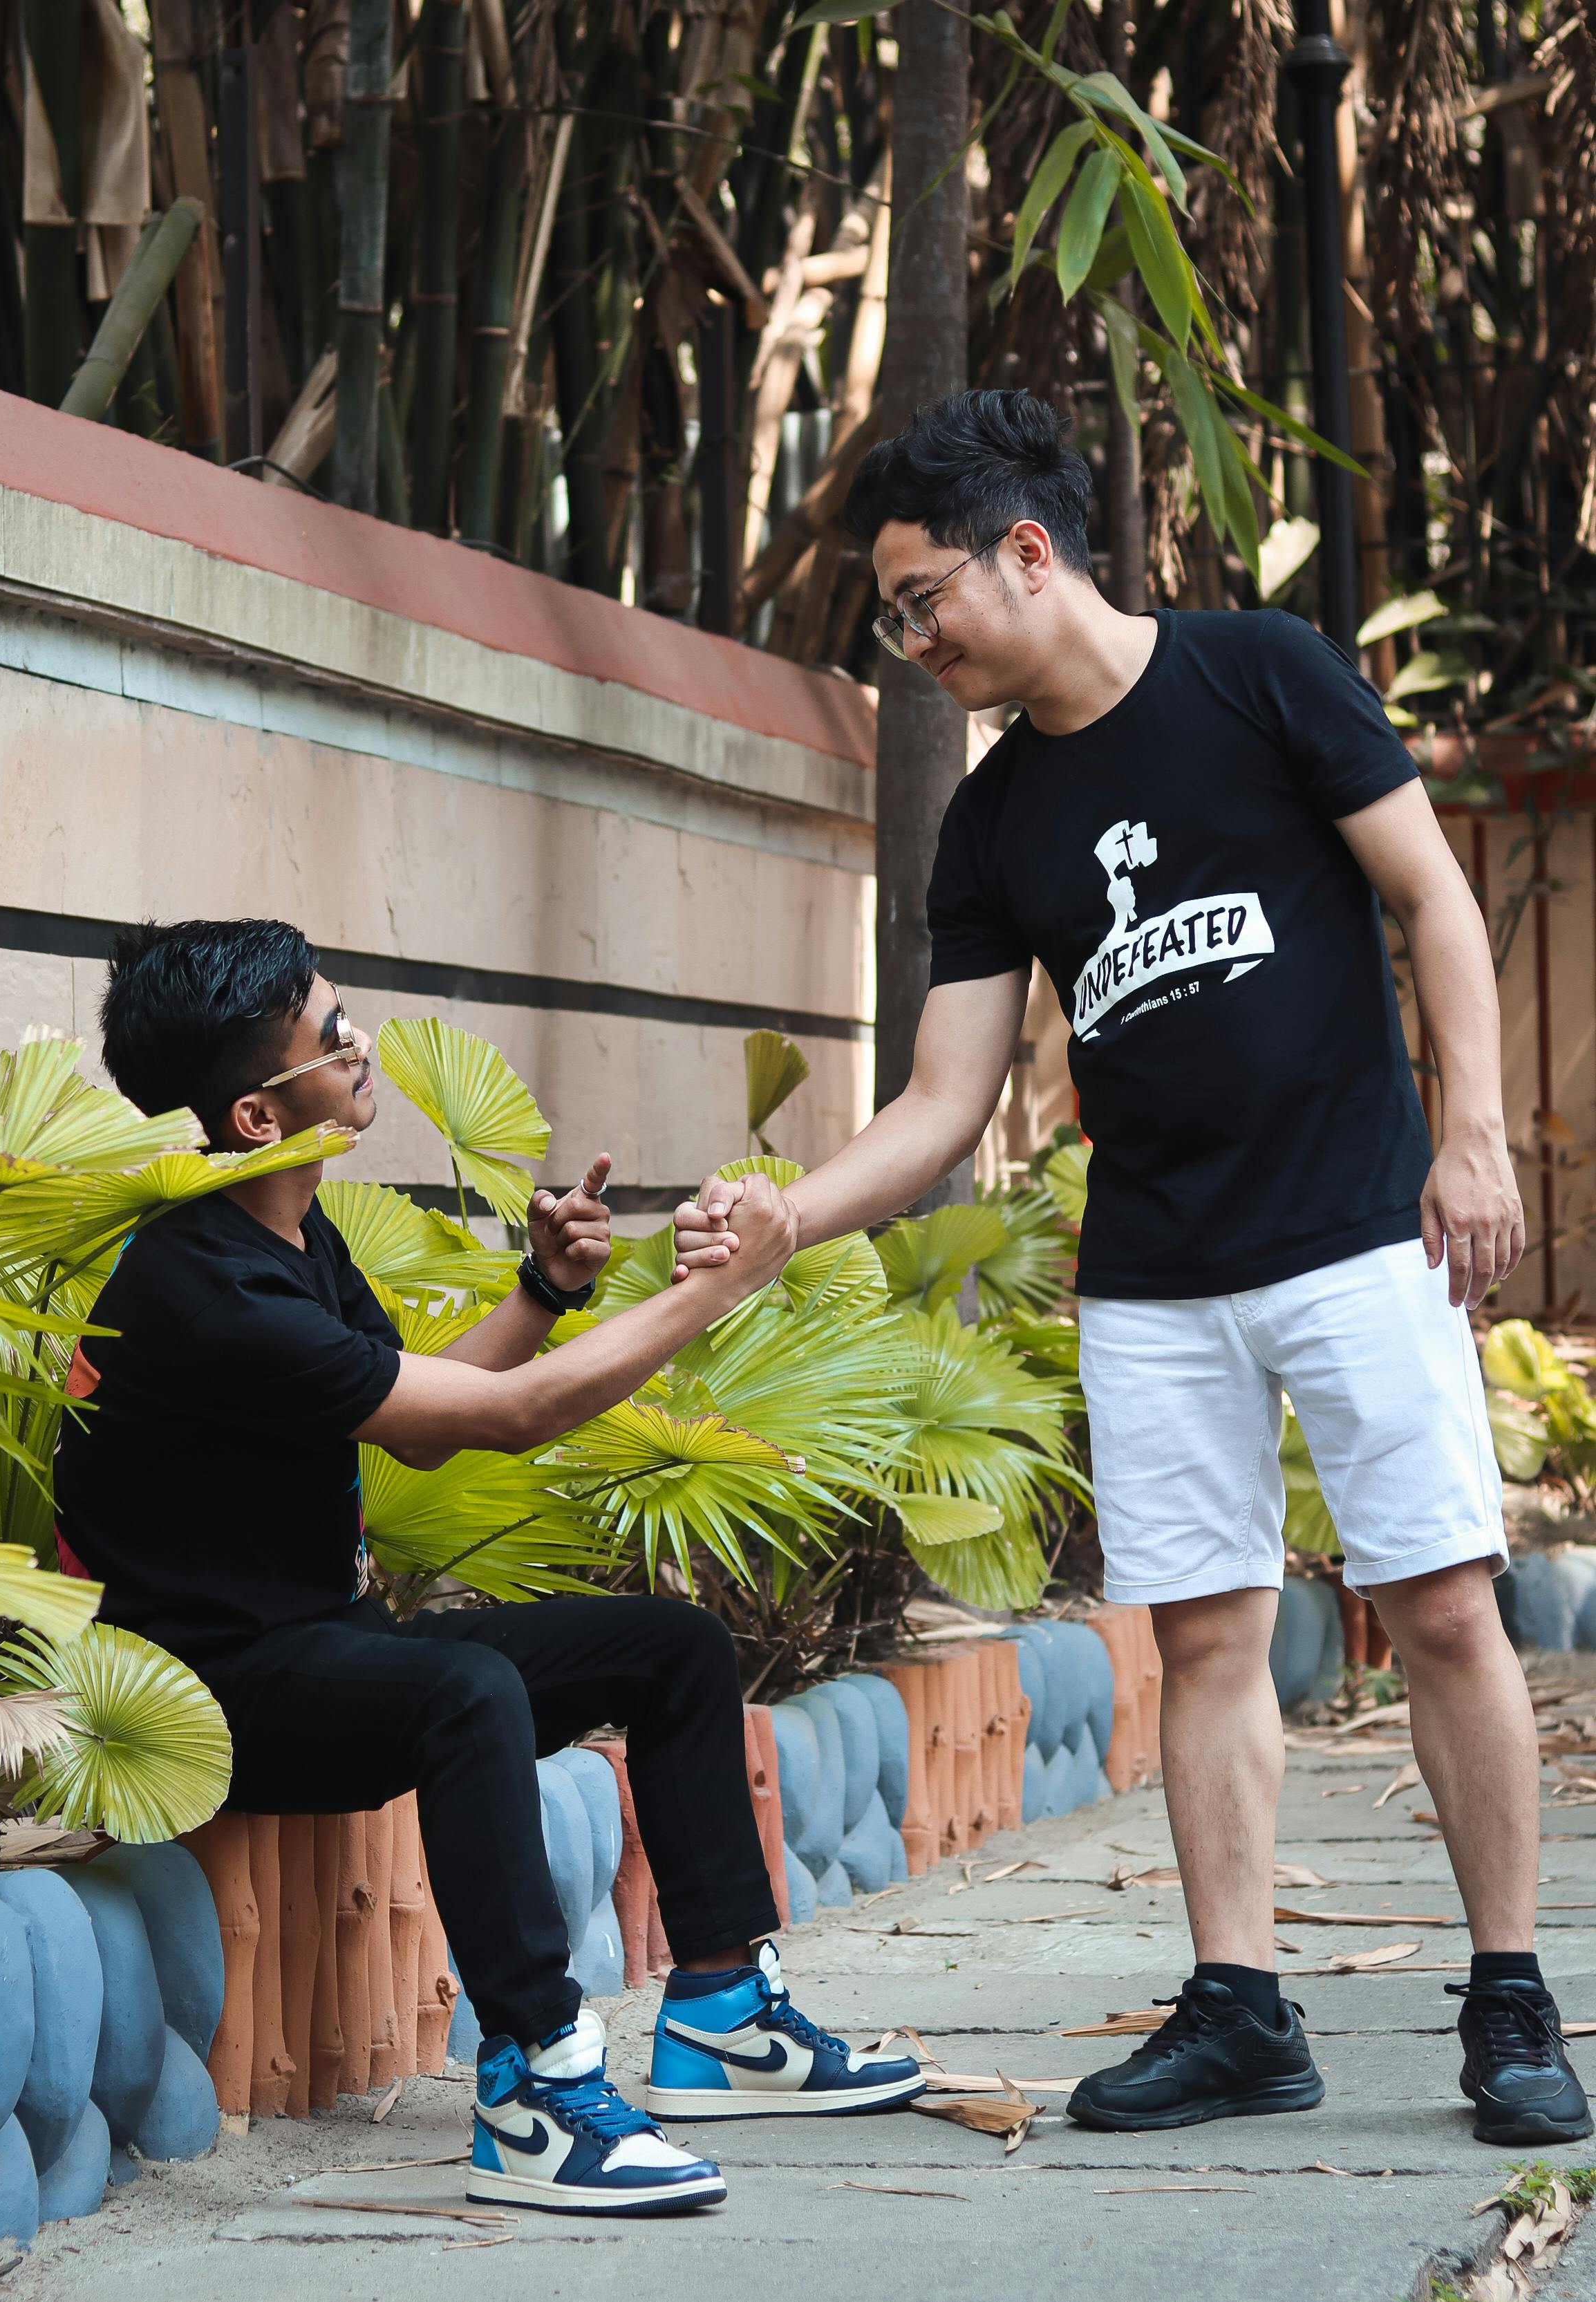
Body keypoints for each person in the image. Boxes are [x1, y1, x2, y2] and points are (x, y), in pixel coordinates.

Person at [671, 389, 1590, 2149]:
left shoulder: (1264, 673)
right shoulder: (996, 821)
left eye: (921, 594)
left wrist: (1473, 1132)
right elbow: (944, 1103)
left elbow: (1438, 901)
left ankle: (1510, 1999)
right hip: (1156, 1276)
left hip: (1352, 1230)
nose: (912, 636)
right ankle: (1240, 2008)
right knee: (1207, 1632)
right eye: (892, 611)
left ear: (1031, 551)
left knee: (1452, 1603)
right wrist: (793, 1211)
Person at [53, 917, 923, 2219]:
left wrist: (542, 1289)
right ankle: (534, 2084)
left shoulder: (292, 1234)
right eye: (330, 1034)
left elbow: (425, 1398)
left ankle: (723, 2012)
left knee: (670, 1649)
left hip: (321, 1641)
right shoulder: (200, 1288)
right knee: (466, 1692)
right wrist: (717, 1288)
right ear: (251, 1110)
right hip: (218, 1690)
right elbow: (505, 1421)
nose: (362, 1046)